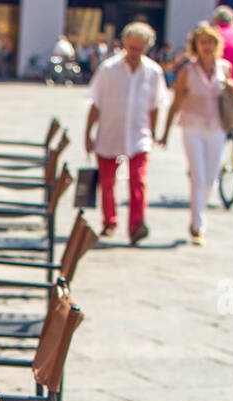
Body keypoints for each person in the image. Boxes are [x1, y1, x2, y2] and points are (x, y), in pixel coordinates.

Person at [85, 21, 168, 245]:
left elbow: (155, 105)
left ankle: (137, 225)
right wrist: (87, 134)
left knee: (138, 180)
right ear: (125, 45)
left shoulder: (153, 72)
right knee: (107, 181)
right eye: (132, 48)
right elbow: (96, 103)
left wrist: (153, 132)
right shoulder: (108, 69)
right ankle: (109, 221)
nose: (135, 53)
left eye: (140, 49)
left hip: (138, 135)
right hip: (109, 133)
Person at [160, 23, 233, 245]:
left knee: (211, 176)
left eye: (211, 42)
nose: (207, 46)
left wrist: (231, 87)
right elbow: (176, 102)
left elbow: (230, 98)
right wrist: (164, 132)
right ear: (196, 45)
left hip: (217, 127)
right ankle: (197, 223)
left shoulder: (224, 68)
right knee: (197, 174)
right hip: (192, 125)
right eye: (203, 42)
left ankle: (199, 213)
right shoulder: (187, 71)